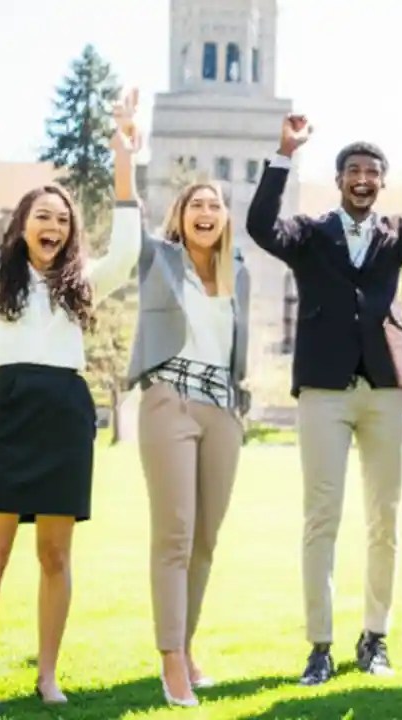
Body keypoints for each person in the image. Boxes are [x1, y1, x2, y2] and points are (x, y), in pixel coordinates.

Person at [0, 39, 141, 712]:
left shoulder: (85, 285)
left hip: (64, 410)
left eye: (61, 218)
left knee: (55, 556)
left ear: (69, 232)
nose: (51, 224)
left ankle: (48, 674)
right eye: (41, 215)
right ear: (23, 226)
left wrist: (124, 161)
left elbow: (131, 245)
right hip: (10, 404)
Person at [246, 105, 402, 685]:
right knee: (321, 519)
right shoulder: (310, 235)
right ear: (339, 180)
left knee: (384, 520)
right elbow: (261, 225)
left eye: (372, 172)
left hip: (386, 390)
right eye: (353, 171)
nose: (362, 179)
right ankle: (319, 645)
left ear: (382, 182)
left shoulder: (396, 237)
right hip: (323, 390)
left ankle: (375, 638)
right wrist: (284, 153)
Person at [121, 90, 252, 706]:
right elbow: (129, 223)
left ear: (225, 218)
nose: (207, 211)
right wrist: (129, 153)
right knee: (173, 536)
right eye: (196, 204)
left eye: (215, 205)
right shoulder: (158, 259)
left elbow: (237, 349)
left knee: (206, 540)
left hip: (222, 409)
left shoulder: (238, 275)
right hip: (169, 401)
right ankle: (170, 659)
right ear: (180, 215)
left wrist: (238, 406)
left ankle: (187, 643)